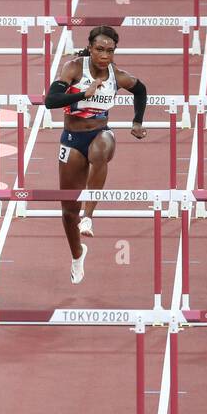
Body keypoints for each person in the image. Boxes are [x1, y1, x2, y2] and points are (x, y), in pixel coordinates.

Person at [44, 25, 148, 284]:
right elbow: (50, 100)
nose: (105, 55)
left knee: (100, 150)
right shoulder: (74, 68)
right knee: (68, 211)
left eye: (110, 51)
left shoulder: (118, 75)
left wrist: (137, 122)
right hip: (71, 139)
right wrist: (82, 93)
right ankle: (78, 255)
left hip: (101, 133)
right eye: (100, 50)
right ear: (90, 48)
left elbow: (140, 90)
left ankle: (88, 216)